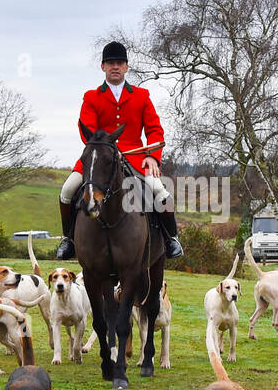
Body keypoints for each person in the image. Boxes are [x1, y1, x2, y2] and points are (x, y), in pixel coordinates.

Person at [54, 41, 183, 260]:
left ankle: (171, 238)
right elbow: (88, 132)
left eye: (120, 63)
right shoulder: (91, 97)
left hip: (136, 157)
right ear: (103, 66)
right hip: (98, 158)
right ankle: (69, 239)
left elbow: (154, 130)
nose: (115, 66)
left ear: (126, 67)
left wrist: (152, 157)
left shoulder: (141, 96)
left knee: (161, 192)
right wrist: (108, 151)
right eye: (111, 63)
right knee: (67, 190)